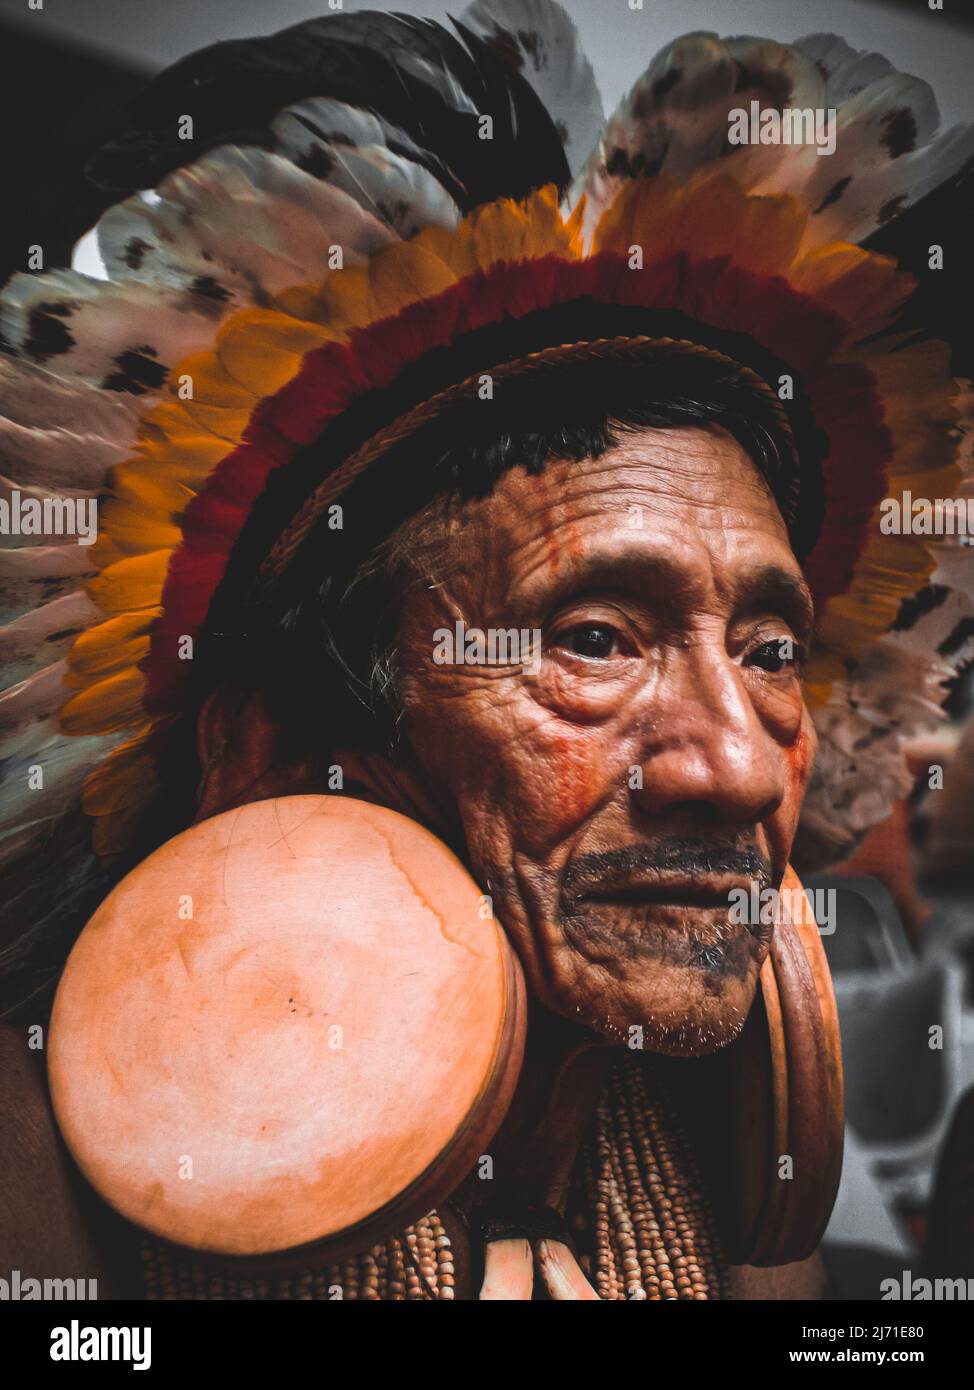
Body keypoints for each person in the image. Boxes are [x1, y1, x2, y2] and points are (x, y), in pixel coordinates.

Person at [1, 1, 971, 1299]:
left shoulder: (735, 1188)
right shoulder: (49, 1189)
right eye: (591, 638)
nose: (739, 764)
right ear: (276, 750)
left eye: (769, 648)